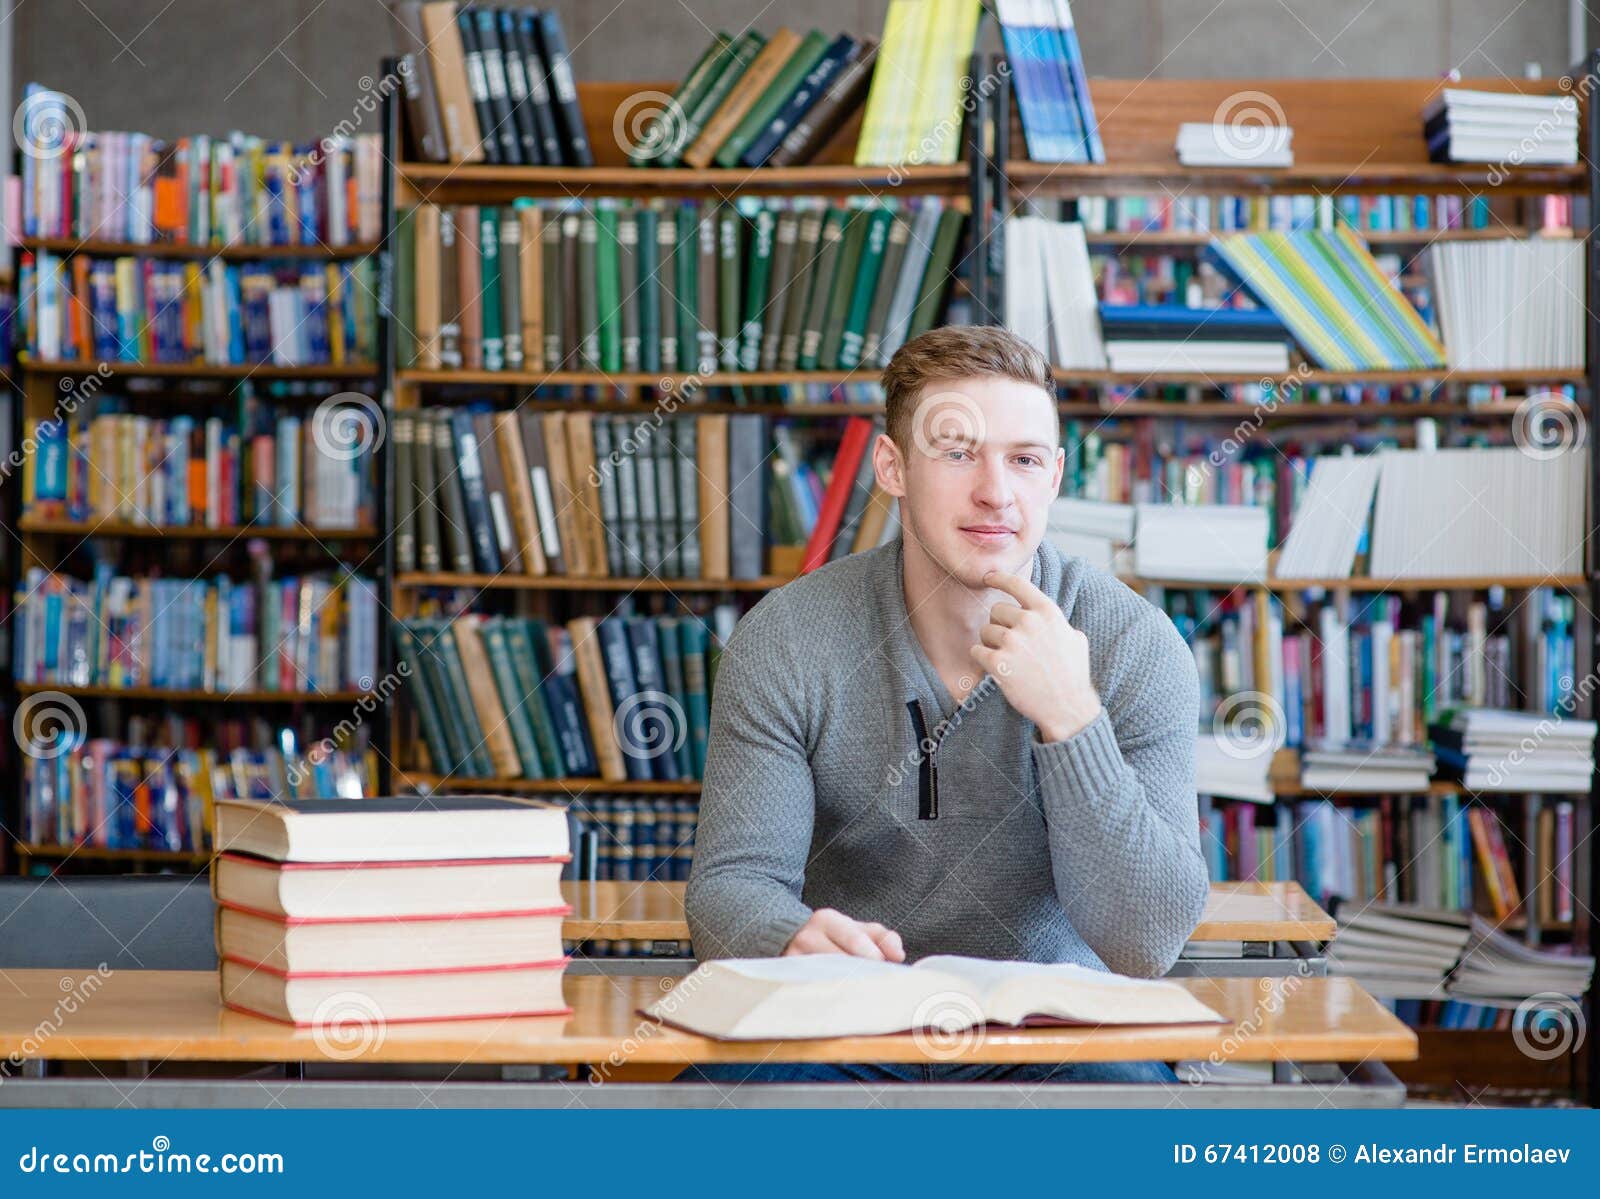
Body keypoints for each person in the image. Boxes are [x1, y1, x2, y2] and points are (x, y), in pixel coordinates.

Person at [682, 325, 1208, 1084]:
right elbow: (728, 888)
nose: (996, 490)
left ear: (1055, 476)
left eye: (1024, 459)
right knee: (719, 1107)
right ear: (892, 467)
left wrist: (1071, 718)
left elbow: (1146, 939)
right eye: (957, 451)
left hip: (1054, 1043)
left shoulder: (1136, 645)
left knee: (1124, 1106)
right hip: (844, 1031)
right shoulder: (788, 637)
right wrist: (787, 935)